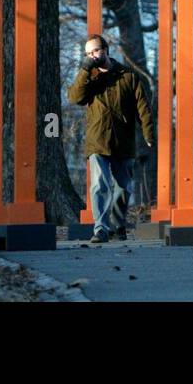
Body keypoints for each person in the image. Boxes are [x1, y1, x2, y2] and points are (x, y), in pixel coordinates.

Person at [67, 34, 155, 244]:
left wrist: (148, 133)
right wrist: (85, 69)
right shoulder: (90, 77)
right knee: (100, 184)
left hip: (123, 141)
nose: (92, 56)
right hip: (98, 140)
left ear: (105, 50)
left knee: (124, 187)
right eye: (88, 53)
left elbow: (143, 107)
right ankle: (101, 229)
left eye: (95, 51)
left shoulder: (128, 76)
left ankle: (116, 224)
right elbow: (75, 98)